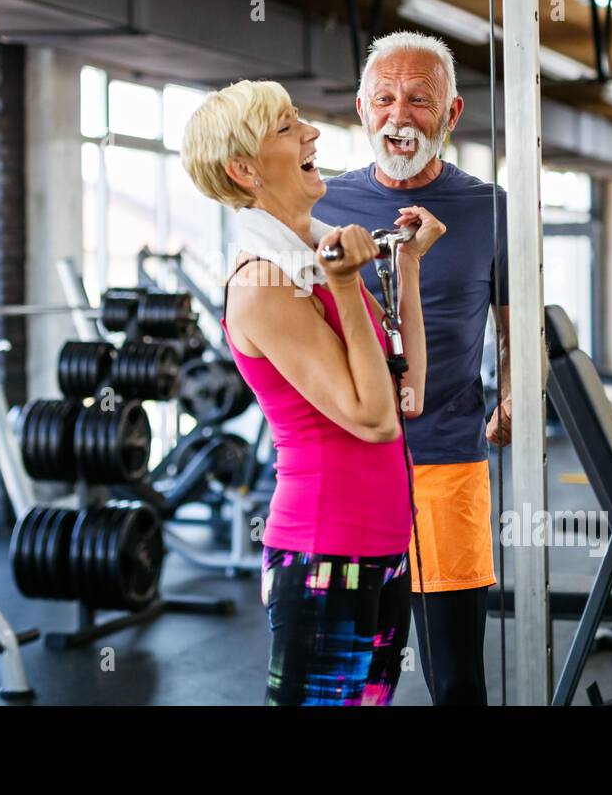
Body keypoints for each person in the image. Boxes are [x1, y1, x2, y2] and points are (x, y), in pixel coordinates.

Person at [180, 78, 445, 705]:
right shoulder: (265, 283)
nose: (312, 133)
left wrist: (406, 269)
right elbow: (372, 419)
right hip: (326, 552)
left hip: (382, 545)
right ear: (245, 170)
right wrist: (348, 287)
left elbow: (408, 394)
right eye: (286, 129)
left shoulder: (311, 255)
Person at [315, 31, 509, 706]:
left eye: (420, 101)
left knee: (455, 678)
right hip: (349, 465)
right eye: (385, 99)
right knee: (353, 675)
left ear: (452, 114)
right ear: (363, 109)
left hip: (447, 463)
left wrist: (514, 390)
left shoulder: (490, 207)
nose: (400, 116)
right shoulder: (321, 206)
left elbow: (518, 324)